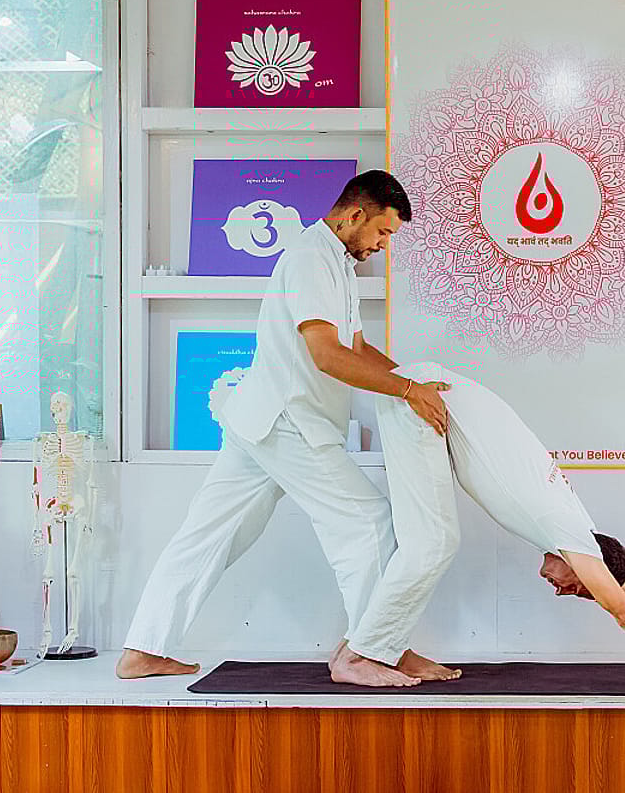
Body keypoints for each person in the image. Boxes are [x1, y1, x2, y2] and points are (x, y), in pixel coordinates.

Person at [116, 171, 451, 687]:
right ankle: (371, 651)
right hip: (288, 423)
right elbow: (326, 354)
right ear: (355, 215)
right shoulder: (309, 259)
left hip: (261, 420)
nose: (383, 246)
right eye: (382, 234)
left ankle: (142, 649)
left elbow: (357, 349)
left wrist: (414, 380)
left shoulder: (336, 263)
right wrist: (408, 393)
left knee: (209, 535)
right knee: (365, 521)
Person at [347, 362, 625, 692]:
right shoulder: (568, 531)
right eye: (579, 586)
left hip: (430, 389)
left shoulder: (573, 526)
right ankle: (358, 656)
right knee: (433, 543)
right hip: (421, 395)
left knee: (432, 542)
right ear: (591, 563)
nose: (563, 591)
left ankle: (386, 648)